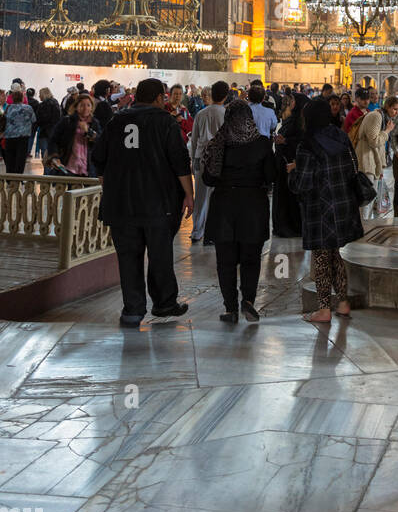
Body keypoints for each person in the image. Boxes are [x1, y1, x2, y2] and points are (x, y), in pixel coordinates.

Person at [91, 77, 193, 328]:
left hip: (121, 204)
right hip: (158, 203)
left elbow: (98, 157)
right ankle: (164, 303)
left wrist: (110, 182)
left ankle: (133, 310)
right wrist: (190, 194)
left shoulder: (117, 121)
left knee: (128, 257)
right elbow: (180, 162)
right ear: (159, 98)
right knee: (160, 255)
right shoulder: (165, 123)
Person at [201, 99, 278, 323]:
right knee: (251, 259)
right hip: (253, 206)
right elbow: (272, 176)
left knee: (225, 261)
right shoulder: (262, 143)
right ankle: (249, 301)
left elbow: (207, 178)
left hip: (224, 206)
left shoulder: (218, 143)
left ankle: (230, 309)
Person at [289, 97, 363, 323]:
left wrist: (292, 172)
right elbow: (353, 166)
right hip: (341, 205)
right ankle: (342, 302)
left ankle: (324, 309)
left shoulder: (308, 143)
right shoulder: (340, 135)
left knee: (321, 257)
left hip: (319, 208)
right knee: (335, 254)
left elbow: (302, 184)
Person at [189, 80, 230, 243]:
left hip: (201, 157)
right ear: (226, 96)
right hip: (219, 160)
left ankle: (197, 231)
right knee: (216, 196)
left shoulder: (201, 114)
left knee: (200, 195)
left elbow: (194, 139)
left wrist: (193, 160)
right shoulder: (226, 114)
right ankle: (213, 233)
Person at [273, 90, 307, 237]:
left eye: (293, 100)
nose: (291, 103)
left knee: (290, 198)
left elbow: (302, 141)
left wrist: (285, 141)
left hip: (292, 165)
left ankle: (291, 227)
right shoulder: (291, 119)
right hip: (283, 164)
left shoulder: (300, 121)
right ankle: (282, 225)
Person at [47, 92, 100, 176]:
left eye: (88, 105)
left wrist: (88, 131)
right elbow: (53, 140)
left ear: (92, 108)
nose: (85, 108)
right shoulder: (67, 121)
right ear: (76, 107)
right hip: (69, 166)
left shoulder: (94, 123)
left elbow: (99, 142)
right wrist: (54, 157)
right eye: (82, 105)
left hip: (87, 168)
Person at [355, 96, 398, 182]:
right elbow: (374, 141)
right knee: (368, 193)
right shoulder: (376, 116)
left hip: (373, 160)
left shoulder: (385, 118)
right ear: (387, 107)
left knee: (374, 193)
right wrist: (387, 131)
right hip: (367, 161)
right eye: (395, 109)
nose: (397, 112)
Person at [3, 89, 36, 173]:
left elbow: (4, 119)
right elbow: (34, 120)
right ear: (22, 98)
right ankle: (18, 178)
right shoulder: (28, 108)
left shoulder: (8, 108)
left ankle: (10, 179)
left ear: (13, 98)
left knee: (10, 159)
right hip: (23, 136)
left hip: (9, 136)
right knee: (20, 159)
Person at [34, 87, 61, 162]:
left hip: (44, 132)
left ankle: (46, 172)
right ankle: (50, 172)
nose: (39, 96)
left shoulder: (42, 105)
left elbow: (38, 119)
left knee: (44, 153)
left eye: (40, 94)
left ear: (44, 94)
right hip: (53, 132)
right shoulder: (56, 103)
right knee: (53, 154)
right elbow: (58, 117)